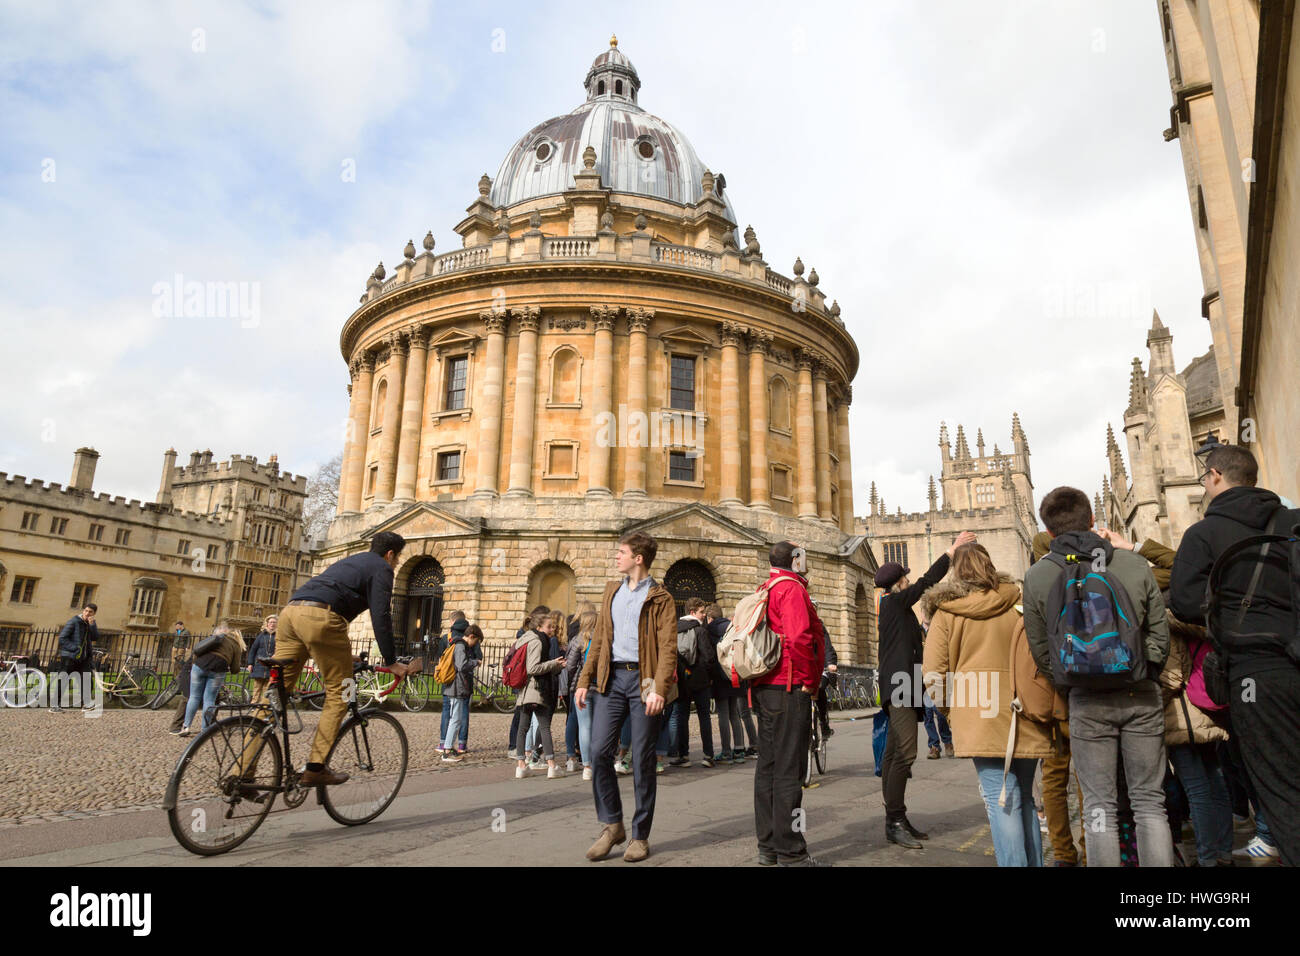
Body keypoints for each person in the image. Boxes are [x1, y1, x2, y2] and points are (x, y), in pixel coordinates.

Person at [1022, 487, 1173, 868]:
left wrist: (1071, 682)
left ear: (1049, 532)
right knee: (1149, 803)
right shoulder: (1132, 564)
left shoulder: (1038, 576)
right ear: (1092, 520)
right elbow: (1160, 630)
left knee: (1099, 806)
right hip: (1139, 693)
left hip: (1085, 699)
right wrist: (1146, 670)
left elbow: (1041, 650)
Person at [1168, 443, 1300, 866]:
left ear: (1216, 477)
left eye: (1205, 478)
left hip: (1253, 671)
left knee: (1279, 788)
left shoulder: (1203, 533)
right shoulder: (1292, 521)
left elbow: (1186, 603)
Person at [921, 542, 1053, 866]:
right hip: (1025, 710)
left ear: (956, 573)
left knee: (1000, 799)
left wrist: (951, 712)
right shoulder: (1018, 602)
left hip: (979, 713)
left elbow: (933, 675)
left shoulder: (946, 613)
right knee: (1022, 796)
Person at [274, 531, 411, 787]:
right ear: (390, 554)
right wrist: (391, 660)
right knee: (342, 693)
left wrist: (345, 655)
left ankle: (243, 770)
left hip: (290, 614)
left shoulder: (352, 560)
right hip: (322, 618)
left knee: (275, 693)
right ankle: (315, 768)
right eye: (397, 558)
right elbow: (381, 614)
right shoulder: (382, 567)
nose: (396, 563)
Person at [575, 532, 677, 863]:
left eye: (621, 552)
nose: (616, 557)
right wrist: (583, 680)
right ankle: (612, 826)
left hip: (645, 678)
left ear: (639, 558)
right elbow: (599, 641)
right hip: (612, 677)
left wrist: (658, 689)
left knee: (643, 758)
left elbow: (668, 648)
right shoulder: (611, 592)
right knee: (598, 751)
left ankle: (640, 836)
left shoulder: (661, 598)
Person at [876, 530, 975, 848]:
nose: (909, 581)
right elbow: (926, 582)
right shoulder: (894, 602)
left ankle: (897, 818)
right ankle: (894, 820)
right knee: (905, 754)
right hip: (900, 686)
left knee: (893, 755)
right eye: (905, 578)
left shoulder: (895, 609)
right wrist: (951, 551)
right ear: (898, 584)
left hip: (900, 685)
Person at [750, 541, 826, 866]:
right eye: (804, 556)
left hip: (765, 689)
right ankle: (793, 852)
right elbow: (798, 638)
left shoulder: (765, 587)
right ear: (795, 560)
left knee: (766, 769)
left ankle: (768, 847)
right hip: (790, 687)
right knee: (790, 772)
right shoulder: (792, 589)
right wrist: (811, 681)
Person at [511, 606, 565, 778]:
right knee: (543, 727)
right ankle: (551, 766)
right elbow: (533, 668)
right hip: (536, 689)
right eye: (549, 626)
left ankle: (521, 766)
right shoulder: (536, 641)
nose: (552, 629)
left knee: (523, 728)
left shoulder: (525, 639)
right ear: (540, 627)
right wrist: (554, 663)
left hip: (526, 690)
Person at [671, 598, 717, 767]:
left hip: (682, 680)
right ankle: (708, 755)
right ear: (692, 612)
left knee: (682, 717)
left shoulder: (674, 629)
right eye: (701, 612)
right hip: (701, 679)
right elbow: (709, 657)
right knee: (704, 717)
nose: (704, 615)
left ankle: (683, 756)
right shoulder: (700, 631)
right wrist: (709, 675)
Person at [181, 623, 245, 733]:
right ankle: (205, 730)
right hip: (218, 669)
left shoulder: (214, 638)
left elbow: (198, 651)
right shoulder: (235, 645)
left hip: (200, 665)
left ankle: (186, 727)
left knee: (194, 697)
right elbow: (235, 669)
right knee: (209, 700)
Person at [563, 604, 598, 780]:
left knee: (583, 726)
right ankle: (599, 761)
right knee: (600, 726)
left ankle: (586, 766)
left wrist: (573, 681)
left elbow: (569, 666)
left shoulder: (577, 640)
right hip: (600, 687)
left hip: (581, 687)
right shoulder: (603, 640)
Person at [707, 603, 746, 764]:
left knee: (722, 713)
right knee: (734, 714)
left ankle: (726, 752)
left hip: (720, 676)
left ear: (710, 618)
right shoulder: (733, 627)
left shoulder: (710, 631)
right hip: (735, 674)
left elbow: (710, 656)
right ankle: (739, 749)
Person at [440, 624, 482, 762]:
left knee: (456, 719)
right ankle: (447, 751)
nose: (474, 645)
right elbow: (461, 665)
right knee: (455, 719)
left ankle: (448, 747)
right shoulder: (460, 646)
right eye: (475, 642)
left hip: (457, 687)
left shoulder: (460, 645)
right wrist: (475, 662)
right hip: (456, 687)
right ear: (471, 636)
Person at [52, 603, 98, 712]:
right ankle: (54, 706)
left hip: (83, 658)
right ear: (83, 611)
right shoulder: (74, 621)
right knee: (63, 680)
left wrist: (92, 625)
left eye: (90, 612)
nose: (87, 613)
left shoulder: (90, 623)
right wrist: (76, 648)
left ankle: (86, 705)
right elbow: (62, 638)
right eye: (86, 611)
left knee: (87, 681)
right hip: (69, 657)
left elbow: (95, 637)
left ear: (94, 613)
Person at [437, 614, 470, 757]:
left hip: (447, 681)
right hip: (460, 684)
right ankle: (455, 745)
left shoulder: (446, 638)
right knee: (458, 716)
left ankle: (444, 742)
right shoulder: (463, 643)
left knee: (449, 713)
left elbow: (439, 657)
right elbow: (463, 664)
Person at [166, 620, 195, 735]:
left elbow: (189, 640)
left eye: (178, 625)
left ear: (181, 625)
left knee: (180, 663)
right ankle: (176, 675)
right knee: (175, 662)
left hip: (182, 648)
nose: (177, 627)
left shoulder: (186, 632)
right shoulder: (177, 632)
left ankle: (178, 675)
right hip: (175, 647)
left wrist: (187, 647)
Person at [246, 615, 277, 703]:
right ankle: (253, 705)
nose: (272, 624)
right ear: (267, 624)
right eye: (270, 622)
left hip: (273, 665)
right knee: (257, 687)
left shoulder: (279, 636)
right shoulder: (261, 635)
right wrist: (250, 663)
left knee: (268, 688)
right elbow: (253, 650)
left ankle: (263, 705)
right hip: (259, 664)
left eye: (274, 622)